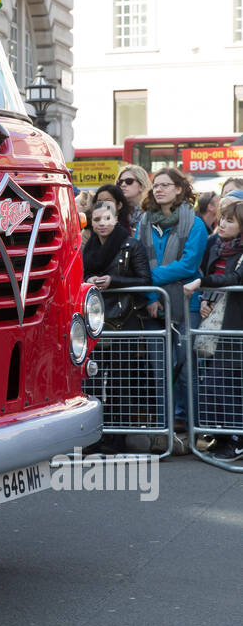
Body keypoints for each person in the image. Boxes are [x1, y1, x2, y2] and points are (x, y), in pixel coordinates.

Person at [138, 168, 209, 432]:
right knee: (160, 371)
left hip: (186, 305)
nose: (159, 189)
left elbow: (189, 265)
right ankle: (164, 428)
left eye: (165, 185)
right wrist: (149, 294)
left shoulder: (195, 223)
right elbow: (138, 261)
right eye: (156, 185)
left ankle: (192, 426)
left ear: (179, 189)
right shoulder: (144, 222)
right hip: (152, 304)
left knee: (185, 368)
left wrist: (149, 277)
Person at [83, 200, 151, 451]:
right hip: (96, 322)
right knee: (93, 380)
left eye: (107, 219)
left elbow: (145, 280)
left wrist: (114, 281)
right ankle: (96, 436)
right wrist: (88, 280)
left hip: (124, 321)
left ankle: (117, 438)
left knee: (121, 381)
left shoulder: (131, 245)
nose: (102, 224)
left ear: (116, 219)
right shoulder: (89, 247)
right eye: (97, 219)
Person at [184, 197, 243, 459]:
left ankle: (237, 438)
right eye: (222, 219)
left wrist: (202, 283)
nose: (222, 224)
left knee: (225, 383)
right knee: (212, 384)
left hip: (234, 326)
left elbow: (233, 279)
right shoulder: (217, 245)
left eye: (230, 220)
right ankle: (220, 435)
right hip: (216, 325)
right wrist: (206, 299)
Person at [116, 164, 151, 236]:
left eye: (129, 181)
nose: (123, 185)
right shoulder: (115, 211)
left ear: (141, 186)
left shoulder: (152, 211)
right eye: (120, 182)